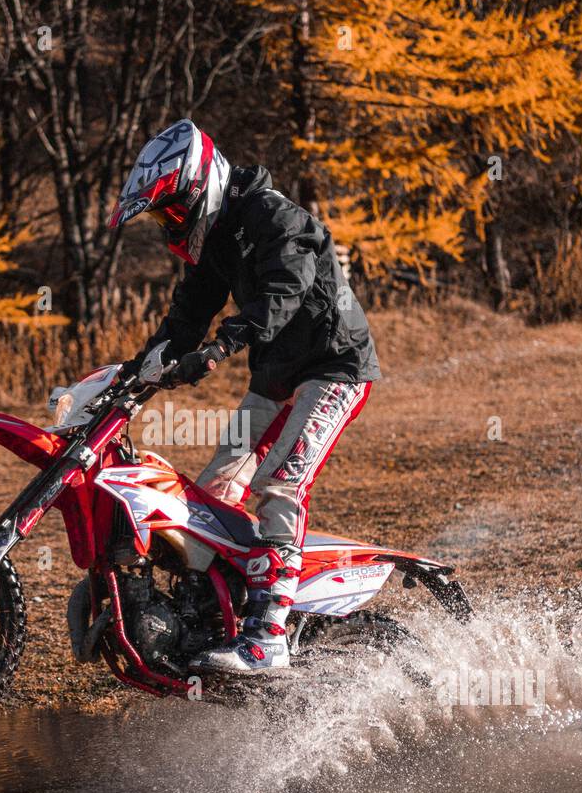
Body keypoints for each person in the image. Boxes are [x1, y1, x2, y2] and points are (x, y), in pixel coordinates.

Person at [110, 119, 381, 674]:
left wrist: (220, 347)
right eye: (162, 217)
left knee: (279, 484)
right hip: (276, 376)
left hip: (333, 368)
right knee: (212, 492)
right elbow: (184, 319)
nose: (170, 225)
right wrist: (133, 374)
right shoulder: (215, 242)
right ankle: (203, 616)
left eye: (171, 211)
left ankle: (269, 636)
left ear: (200, 186)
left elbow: (286, 291)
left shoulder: (277, 218)